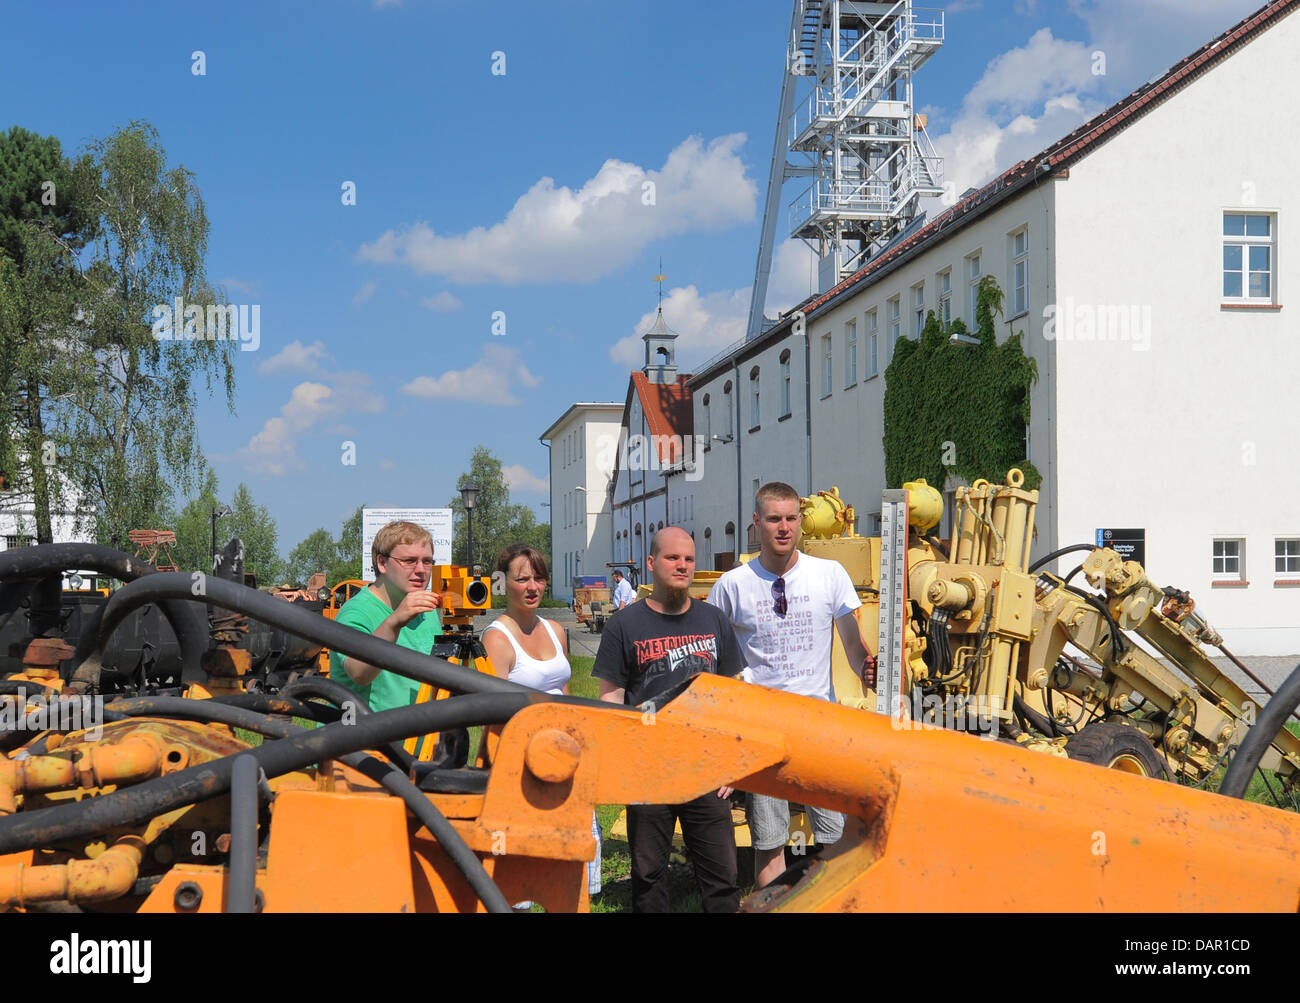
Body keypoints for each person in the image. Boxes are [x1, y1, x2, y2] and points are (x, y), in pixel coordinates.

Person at [707, 481, 876, 890]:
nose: (783, 527)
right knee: (769, 842)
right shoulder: (732, 585)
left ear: (800, 521)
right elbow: (713, 664)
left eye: (790, 518)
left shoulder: (829, 574)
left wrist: (869, 669)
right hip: (762, 730)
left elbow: (854, 647)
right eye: (773, 519)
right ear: (756, 523)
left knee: (836, 837)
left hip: (820, 726)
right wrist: (726, 743)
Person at [593, 526, 743, 913]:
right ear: (651, 563)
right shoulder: (624, 626)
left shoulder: (714, 620)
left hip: (705, 768)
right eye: (672, 558)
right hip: (648, 773)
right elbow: (612, 703)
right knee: (648, 878)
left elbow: (734, 697)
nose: (682, 566)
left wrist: (729, 762)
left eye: (689, 559)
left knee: (723, 879)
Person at [481, 544, 602, 901]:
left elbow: (563, 690)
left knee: (572, 867)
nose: (533, 586)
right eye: (522, 579)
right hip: (522, 765)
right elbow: (491, 714)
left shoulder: (555, 630)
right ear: (502, 584)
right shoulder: (497, 638)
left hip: (566, 757)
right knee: (522, 878)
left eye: (539, 578)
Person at [329, 520, 442, 713]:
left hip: (419, 738)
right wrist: (393, 623)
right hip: (366, 739)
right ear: (382, 563)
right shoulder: (357, 612)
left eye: (427, 561)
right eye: (409, 561)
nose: (421, 570)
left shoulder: (427, 610)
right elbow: (358, 673)